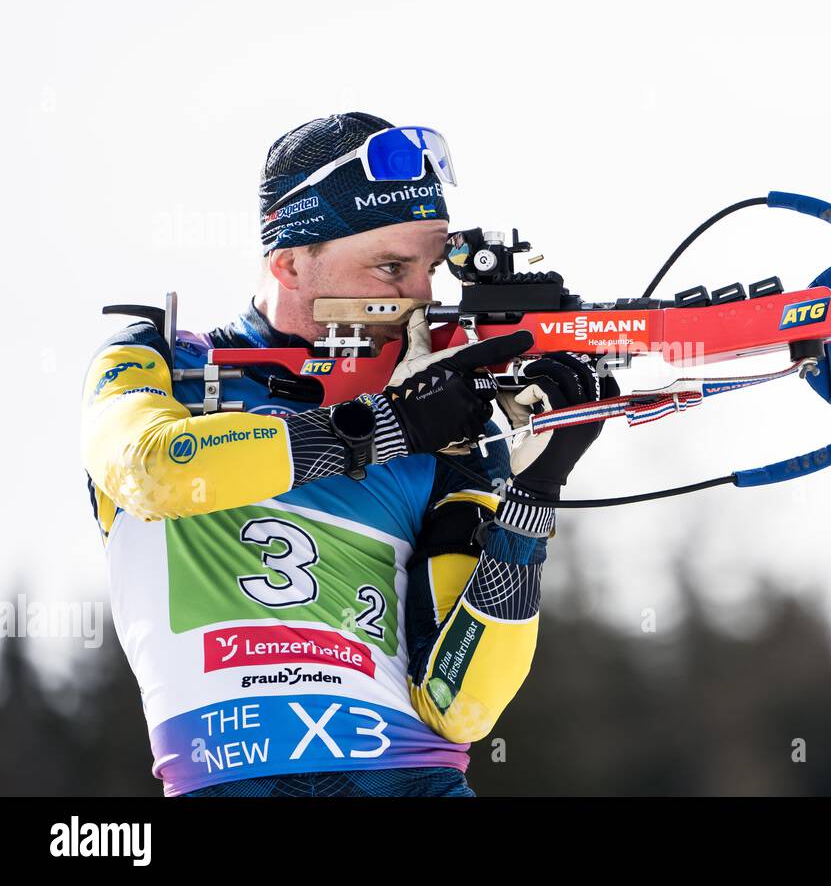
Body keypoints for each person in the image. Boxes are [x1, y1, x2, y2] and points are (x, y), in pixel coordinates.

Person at [79, 113, 616, 796]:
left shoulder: (443, 427)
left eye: (431, 268)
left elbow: (463, 705)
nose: (419, 296)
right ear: (290, 262)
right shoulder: (165, 363)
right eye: (390, 267)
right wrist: (386, 427)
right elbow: (152, 470)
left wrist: (535, 494)